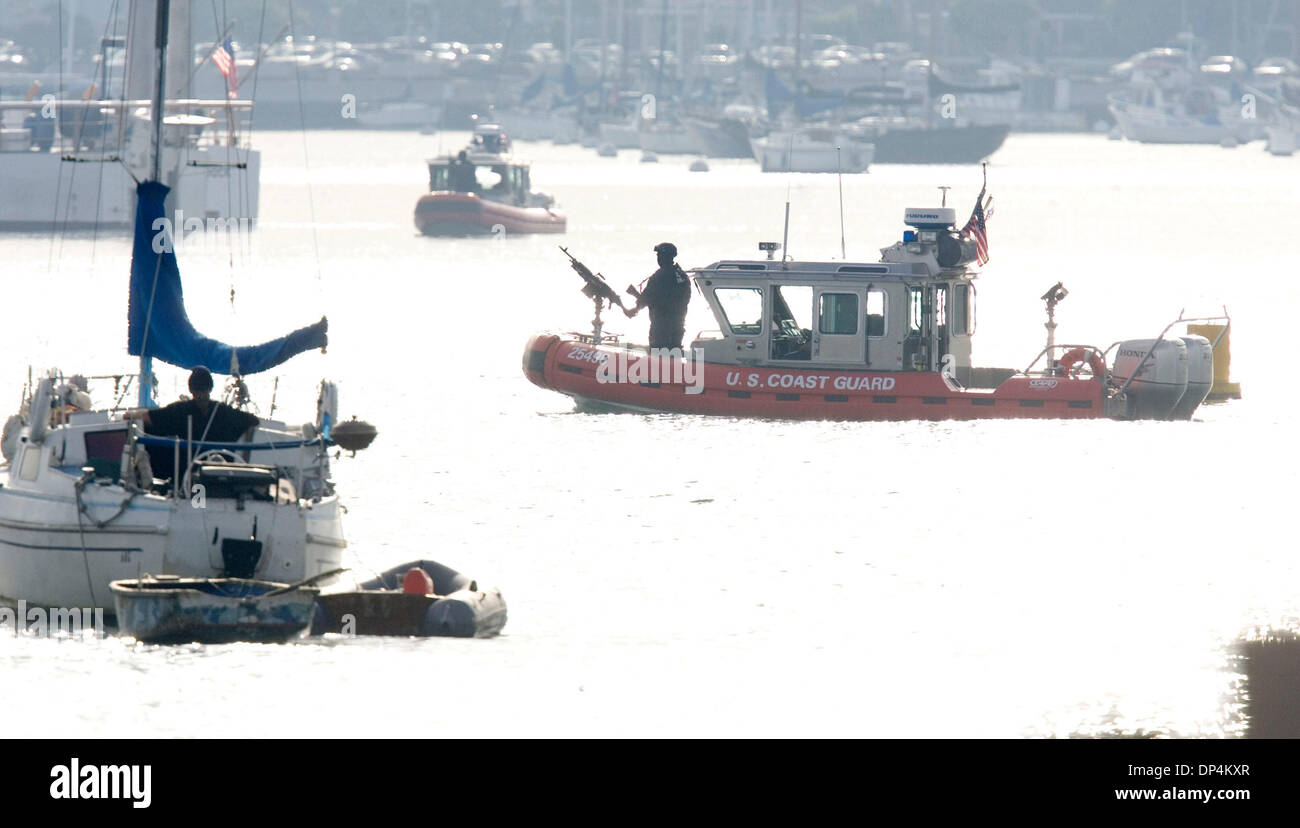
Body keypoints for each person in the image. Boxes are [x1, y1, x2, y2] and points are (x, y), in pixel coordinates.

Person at [124, 366, 259, 445]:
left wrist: (129, 415)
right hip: (217, 468)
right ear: (210, 388)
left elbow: (151, 417)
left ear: (190, 390)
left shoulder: (179, 411)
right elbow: (252, 420)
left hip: (186, 473)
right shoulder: (223, 412)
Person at [625, 242, 691, 350]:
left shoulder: (660, 276)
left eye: (659, 255)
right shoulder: (682, 276)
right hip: (678, 327)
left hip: (661, 328)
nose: (658, 258)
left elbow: (646, 298)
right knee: (674, 356)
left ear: (664, 257)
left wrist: (635, 306)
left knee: (658, 360)